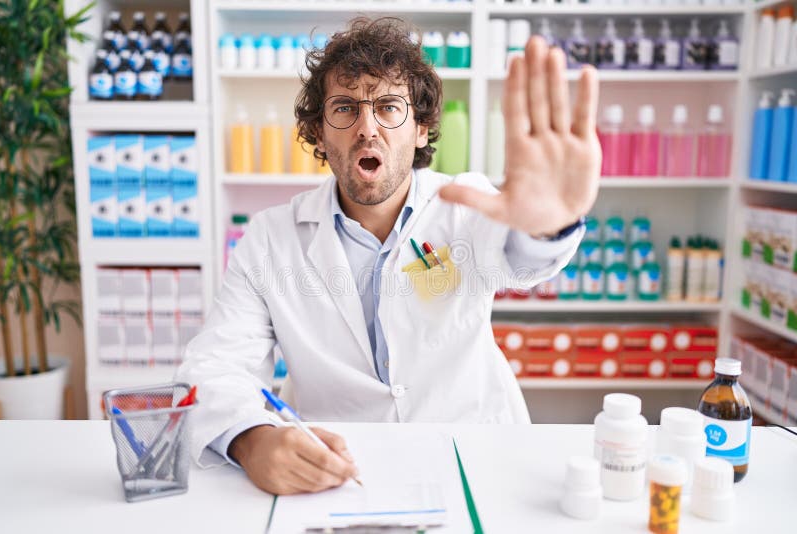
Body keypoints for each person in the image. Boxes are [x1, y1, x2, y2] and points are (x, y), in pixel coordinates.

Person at [176, 17, 600, 496]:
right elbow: (213, 366)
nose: (366, 128)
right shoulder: (270, 239)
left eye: (388, 107)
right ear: (318, 134)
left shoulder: (465, 205)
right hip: (338, 469)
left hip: (476, 457)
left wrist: (548, 225)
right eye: (344, 109)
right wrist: (251, 441)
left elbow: (524, 264)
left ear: (421, 129)